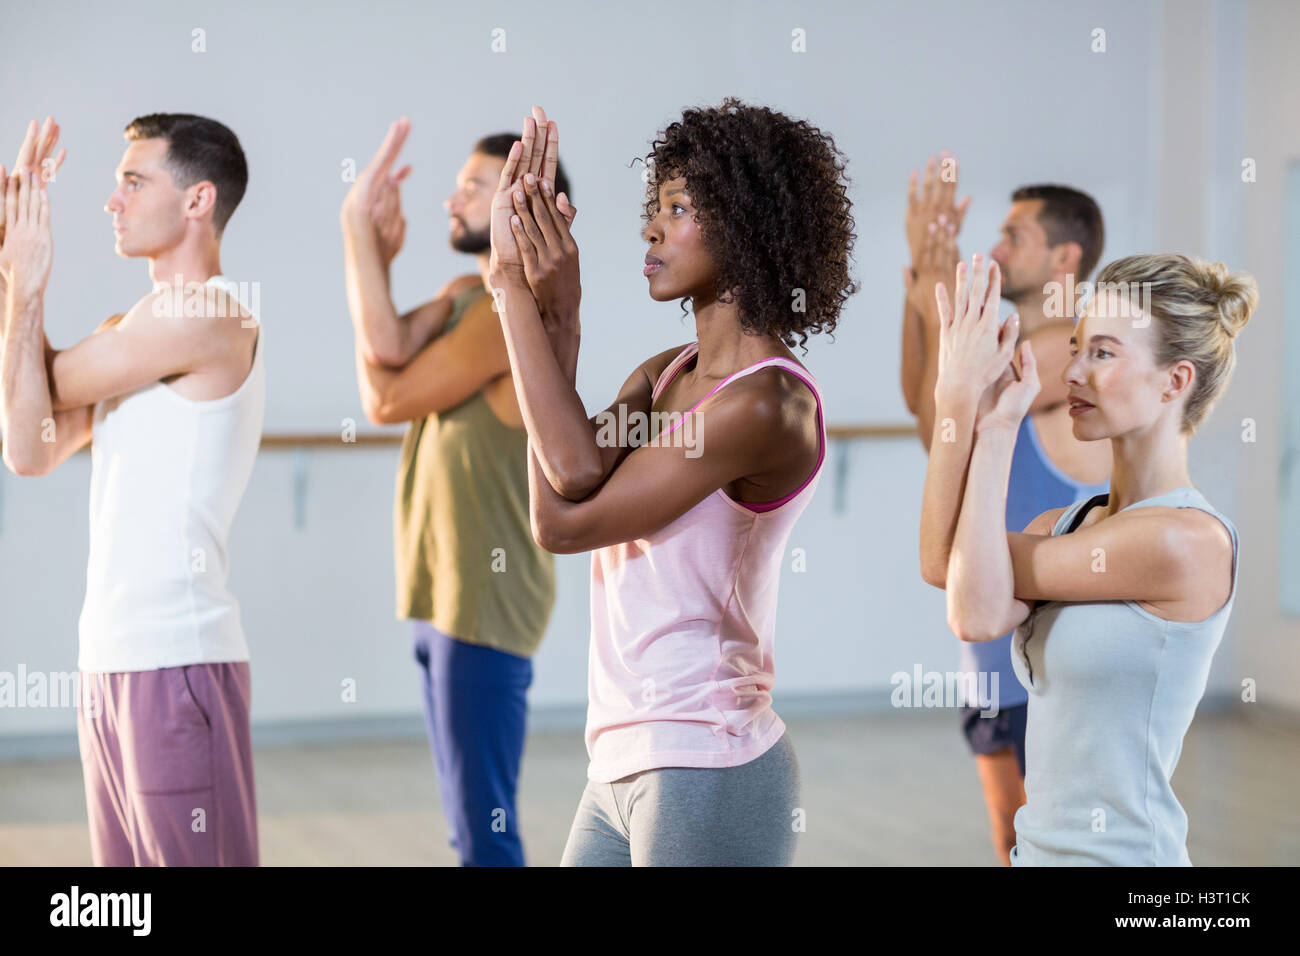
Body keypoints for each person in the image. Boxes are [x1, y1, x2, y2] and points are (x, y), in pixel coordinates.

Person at [487, 101, 855, 866]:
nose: (651, 230)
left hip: (707, 760)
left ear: (747, 228)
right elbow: (577, 469)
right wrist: (560, 318)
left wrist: (509, 291)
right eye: (654, 210)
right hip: (618, 762)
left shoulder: (765, 405)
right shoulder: (664, 375)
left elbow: (560, 524)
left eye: (679, 210)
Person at [920, 251, 1253, 865]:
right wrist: (971, 411)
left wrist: (976, 416)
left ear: (1174, 382)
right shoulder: (1064, 527)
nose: (1072, 370)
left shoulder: (1183, 541)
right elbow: (961, 582)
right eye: (1075, 347)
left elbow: (959, 584)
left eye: (1102, 352)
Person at [0, 114, 261, 866]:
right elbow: (28, 446)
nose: (111, 201)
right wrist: (8, 261)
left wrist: (25, 280)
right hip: (109, 663)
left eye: (133, 181)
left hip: (176, 664)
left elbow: (36, 384)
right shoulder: (132, 332)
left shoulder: (209, 316)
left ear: (197, 200)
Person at [341, 118, 572, 866]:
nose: (452, 198)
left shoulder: (509, 317)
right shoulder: (461, 296)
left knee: (484, 826)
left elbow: (383, 398)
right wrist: (371, 251)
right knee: (465, 819)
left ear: (522, 204)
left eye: (474, 187)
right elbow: (385, 351)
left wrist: (358, 242)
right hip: (441, 593)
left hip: (483, 604)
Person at [900, 158, 1111, 864]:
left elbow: (954, 397)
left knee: (1047, 845)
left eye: (1014, 236)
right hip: (989, 643)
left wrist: (938, 293)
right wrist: (921, 283)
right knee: (1010, 840)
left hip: (1051, 658)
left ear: (1065, 256)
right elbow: (933, 419)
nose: (994, 250)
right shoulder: (1004, 347)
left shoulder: (1076, 352)